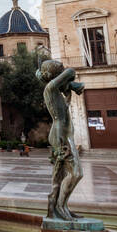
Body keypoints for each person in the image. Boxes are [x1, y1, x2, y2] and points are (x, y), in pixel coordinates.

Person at [36, 59, 84, 220]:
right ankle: (59, 206)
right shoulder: (50, 88)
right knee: (76, 173)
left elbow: (64, 79)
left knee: (62, 175)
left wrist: (69, 86)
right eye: (59, 70)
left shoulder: (54, 89)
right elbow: (70, 72)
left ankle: (61, 206)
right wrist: (71, 83)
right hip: (60, 136)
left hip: (62, 133)